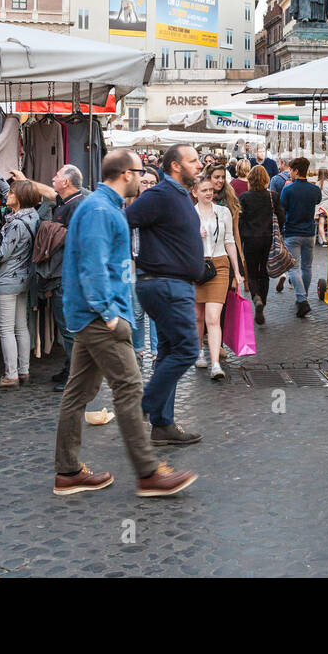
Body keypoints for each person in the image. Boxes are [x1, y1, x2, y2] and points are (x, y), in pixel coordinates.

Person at [52, 150, 198, 498]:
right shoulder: (102, 210)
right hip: (99, 317)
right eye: (139, 172)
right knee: (130, 388)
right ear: (125, 174)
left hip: (91, 315)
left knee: (78, 393)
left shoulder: (103, 207)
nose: (143, 178)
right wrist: (111, 314)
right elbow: (94, 266)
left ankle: (68, 471)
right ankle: (148, 473)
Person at [125, 144, 205, 445]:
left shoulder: (181, 196)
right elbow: (123, 222)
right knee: (186, 349)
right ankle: (144, 405)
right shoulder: (160, 195)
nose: (199, 166)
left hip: (174, 284)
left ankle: (162, 426)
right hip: (165, 285)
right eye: (193, 161)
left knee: (170, 352)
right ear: (175, 166)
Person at [7, 163, 89, 391]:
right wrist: (25, 179)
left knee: (70, 331)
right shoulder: (67, 202)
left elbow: (77, 243)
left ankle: (75, 377)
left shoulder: (78, 205)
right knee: (67, 329)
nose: (53, 178)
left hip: (67, 279)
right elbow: (48, 192)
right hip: (60, 276)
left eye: (57, 176)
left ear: (67, 182)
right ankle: (69, 369)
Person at [0, 154, 42, 388]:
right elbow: (7, 191)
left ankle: (10, 374)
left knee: (6, 329)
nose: (6, 195)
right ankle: (24, 371)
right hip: (25, 278)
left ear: (19, 198)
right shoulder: (32, 214)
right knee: (21, 326)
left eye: (11, 194)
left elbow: (2, 254)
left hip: (8, 279)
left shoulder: (16, 223)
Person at [192, 174, 244, 380]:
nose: (208, 194)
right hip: (196, 266)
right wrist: (195, 237)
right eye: (204, 190)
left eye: (210, 191)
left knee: (213, 317)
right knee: (198, 317)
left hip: (219, 265)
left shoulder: (223, 212)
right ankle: (199, 352)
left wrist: (237, 272)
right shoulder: (189, 214)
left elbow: (230, 241)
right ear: (195, 192)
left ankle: (215, 364)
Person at [238, 165, 284, 326]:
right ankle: (262, 302)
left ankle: (255, 296)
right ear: (266, 179)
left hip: (250, 239)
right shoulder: (273, 196)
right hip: (267, 238)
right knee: (264, 272)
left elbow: (240, 221)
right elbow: (281, 216)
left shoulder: (244, 197)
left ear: (250, 179)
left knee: (251, 273)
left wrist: (240, 240)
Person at [280, 157, 323, 318]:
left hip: (292, 232)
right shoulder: (314, 189)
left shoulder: (288, 190)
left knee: (293, 268)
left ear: (296, 171)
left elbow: (282, 207)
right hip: (309, 232)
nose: (289, 173)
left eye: (290, 170)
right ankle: (302, 298)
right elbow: (318, 201)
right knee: (307, 267)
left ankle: (302, 299)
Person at [131, 167, 160, 358]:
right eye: (144, 182)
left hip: (157, 265)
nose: (148, 186)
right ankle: (138, 348)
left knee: (156, 312)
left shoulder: (162, 208)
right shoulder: (130, 207)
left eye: (152, 183)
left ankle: (157, 350)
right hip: (133, 265)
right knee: (137, 311)